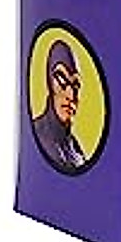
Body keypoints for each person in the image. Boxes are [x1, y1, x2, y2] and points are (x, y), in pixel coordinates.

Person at [32, 39, 87, 172]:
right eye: (61, 79)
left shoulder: (74, 146)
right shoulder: (38, 133)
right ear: (49, 82)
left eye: (76, 85)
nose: (70, 95)